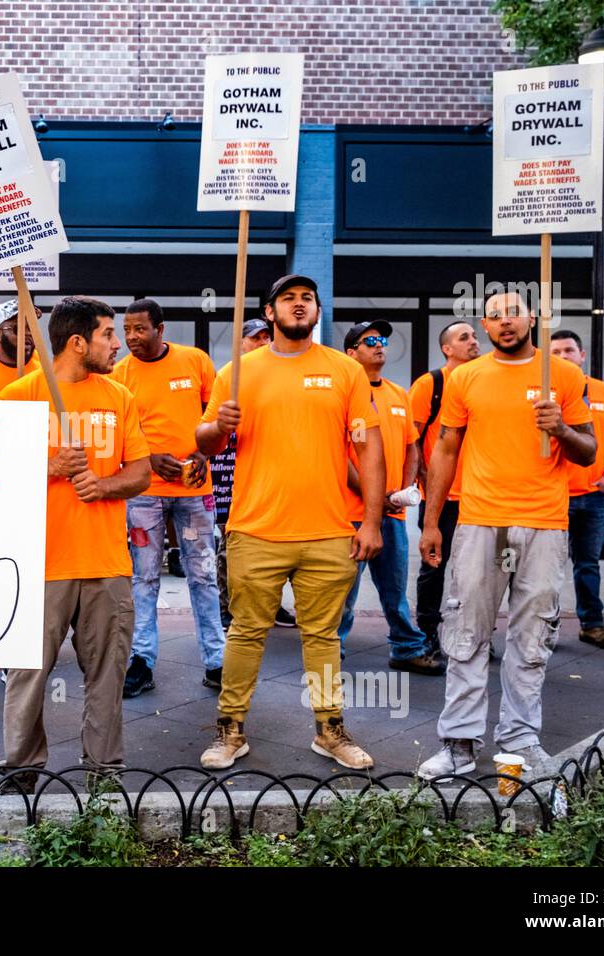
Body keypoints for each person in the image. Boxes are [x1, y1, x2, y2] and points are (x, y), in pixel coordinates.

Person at [196, 275, 384, 771]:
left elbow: (368, 448)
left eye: (307, 299)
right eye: (288, 299)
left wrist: (371, 520)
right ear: (270, 311)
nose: (299, 305)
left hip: (328, 530)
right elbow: (205, 441)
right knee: (244, 634)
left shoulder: (346, 372)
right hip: (255, 529)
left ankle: (330, 730)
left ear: (318, 312)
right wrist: (219, 426)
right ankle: (230, 729)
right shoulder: (237, 373)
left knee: (323, 637)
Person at [418, 291, 595, 779]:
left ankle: (519, 740)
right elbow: (445, 451)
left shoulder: (563, 375)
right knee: (466, 631)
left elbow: (587, 453)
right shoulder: (465, 377)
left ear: (532, 318)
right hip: (480, 522)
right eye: (493, 316)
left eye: (513, 313)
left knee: (531, 635)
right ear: (485, 325)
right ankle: (458, 743)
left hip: (543, 523)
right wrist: (432, 522)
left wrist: (561, 429)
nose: (504, 322)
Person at [0, 295, 151, 784]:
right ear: (78, 341)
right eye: (109, 334)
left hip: (107, 563)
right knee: (28, 676)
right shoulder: (19, 396)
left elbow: (142, 472)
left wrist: (103, 485)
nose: (118, 344)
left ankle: (103, 773)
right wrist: (49, 467)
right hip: (38, 563)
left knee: (107, 677)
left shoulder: (119, 396)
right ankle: (21, 772)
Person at [110, 297, 225, 696]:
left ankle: (217, 661)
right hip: (144, 493)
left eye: (139, 329)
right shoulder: (119, 374)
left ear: (161, 329)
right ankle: (141, 660)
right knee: (143, 578)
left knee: (203, 576)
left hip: (195, 489)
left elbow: (215, 422)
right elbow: (118, 435)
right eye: (126, 330)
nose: (130, 338)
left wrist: (202, 453)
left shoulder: (195, 361)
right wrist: (149, 459)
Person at [338, 320, 441, 675]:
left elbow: (413, 449)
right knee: (344, 594)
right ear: (352, 353)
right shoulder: (343, 393)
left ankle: (406, 647)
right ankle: (331, 651)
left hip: (392, 513)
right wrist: (372, 495)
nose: (380, 345)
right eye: (370, 341)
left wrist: (402, 491)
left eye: (382, 340)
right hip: (351, 512)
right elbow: (338, 455)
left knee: (395, 591)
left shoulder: (399, 394)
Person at [211, 317, 297, 631]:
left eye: (265, 337)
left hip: (272, 476)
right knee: (230, 545)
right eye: (254, 338)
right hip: (229, 475)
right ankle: (226, 607)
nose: (261, 343)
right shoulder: (229, 378)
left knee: (275, 545)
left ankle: (270, 605)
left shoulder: (280, 378)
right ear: (240, 343)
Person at [550, 330, 604, 651]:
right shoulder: (543, 392)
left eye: (569, 350)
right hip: (554, 495)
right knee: (548, 566)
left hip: (594, 495)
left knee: (588, 563)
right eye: (556, 352)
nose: (564, 356)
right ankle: (545, 626)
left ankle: (592, 625)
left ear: (582, 355)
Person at [409, 320, 480, 655]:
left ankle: (472, 633)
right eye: (464, 337)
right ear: (446, 348)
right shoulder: (431, 384)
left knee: (478, 572)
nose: (473, 341)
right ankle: (426, 633)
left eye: (474, 336)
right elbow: (412, 438)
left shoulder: (484, 380)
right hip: (442, 496)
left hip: (481, 498)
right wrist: (422, 478)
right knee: (434, 567)